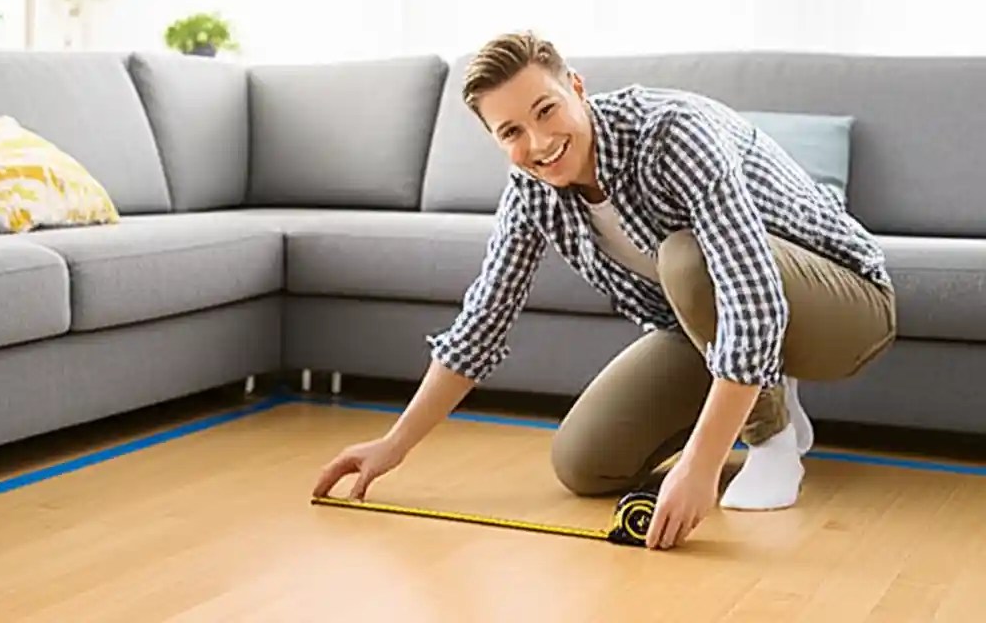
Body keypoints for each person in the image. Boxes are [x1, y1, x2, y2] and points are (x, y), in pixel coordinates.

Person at [311, 31, 897, 550]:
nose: (538, 143)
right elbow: (483, 321)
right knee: (586, 465)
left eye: (546, 110)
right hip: (706, 321)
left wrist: (701, 463)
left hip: (847, 305)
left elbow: (752, 298)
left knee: (688, 259)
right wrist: (395, 443)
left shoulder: (673, 134)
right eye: (511, 131)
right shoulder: (530, 191)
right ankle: (766, 394)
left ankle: (773, 441)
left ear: (577, 87)